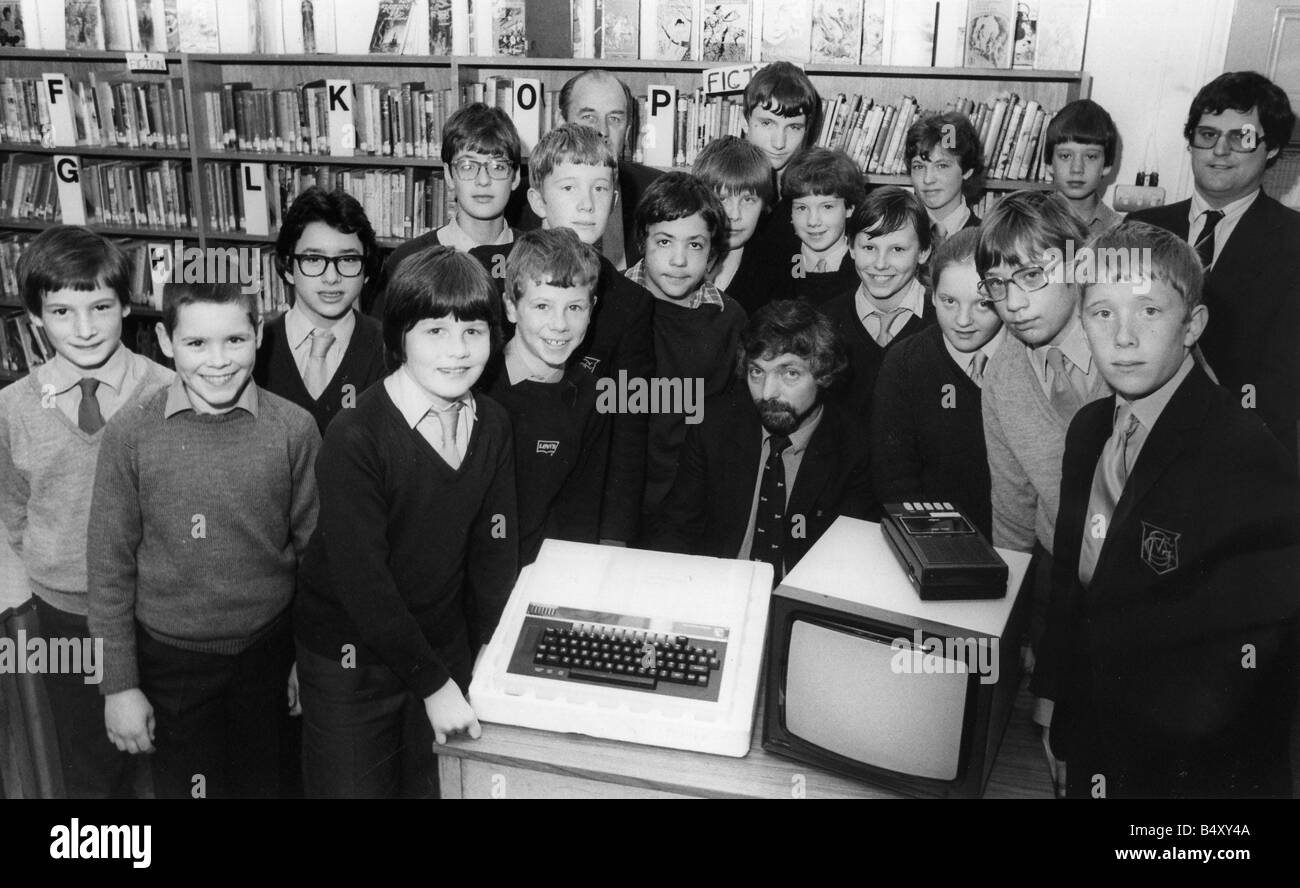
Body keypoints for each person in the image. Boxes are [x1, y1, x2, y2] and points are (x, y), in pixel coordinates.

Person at [1033, 221, 1300, 798]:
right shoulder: (1087, 432)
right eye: (1102, 313)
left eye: (1149, 311)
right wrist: (1060, 714)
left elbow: (1254, 662)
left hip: (1186, 771)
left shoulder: (1245, 454)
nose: (1123, 337)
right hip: (1095, 733)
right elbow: (1075, 588)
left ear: (1192, 325)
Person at [293, 247, 518, 798]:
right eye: (435, 331)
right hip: (353, 661)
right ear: (399, 339)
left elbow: (495, 552)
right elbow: (364, 583)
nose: (458, 351)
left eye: (473, 331)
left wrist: (489, 648)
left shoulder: (491, 422)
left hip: (441, 645)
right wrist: (433, 685)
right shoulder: (356, 437)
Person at [88, 282, 320, 799]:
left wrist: (309, 659)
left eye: (235, 340)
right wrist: (119, 686)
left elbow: (316, 561)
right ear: (165, 342)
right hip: (172, 667)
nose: (218, 361)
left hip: (270, 657)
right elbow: (108, 569)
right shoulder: (131, 434)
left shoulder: (294, 429)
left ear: (259, 334)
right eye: (196, 344)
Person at [0, 226, 173, 798]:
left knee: (172, 761)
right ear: (34, 319)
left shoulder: (169, 392)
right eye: (62, 311)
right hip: (66, 618)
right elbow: (14, 508)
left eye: (100, 306)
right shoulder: (11, 409)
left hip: (158, 615)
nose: (84, 328)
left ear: (128, 304)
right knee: (89, 768)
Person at [1128, 71, 1300, 460]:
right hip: (1137, 442)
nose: (1219, 151)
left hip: (1241, 452)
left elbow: (1285, 382)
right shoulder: (1140, 229)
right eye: (1207, 135)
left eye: (1242, 138)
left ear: (1271, 148)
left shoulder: (1294, 242)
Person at [648, 300, 873, 582]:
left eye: (790, 373)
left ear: (824, 375)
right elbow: (676, 531)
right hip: (716, 591)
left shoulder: (855, 446)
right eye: (757, 372)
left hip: (804, 602)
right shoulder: (713, 426)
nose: (767, 393)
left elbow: (850, 566)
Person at [526, 123, 655, 544]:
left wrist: (615, 536)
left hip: (582, 507)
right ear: (537, 199)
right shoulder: (501, 285)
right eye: (568, 188)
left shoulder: (631, 305)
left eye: (600, 189)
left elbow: (629, 429)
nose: (586, 204)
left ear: (615, 199)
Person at [479, 228, 626, 564]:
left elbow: (580, 511)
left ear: (593, 309)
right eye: (542, 306)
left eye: (574, 307)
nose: (559, 325)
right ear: (511, 307)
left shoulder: (590, 394)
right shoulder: (478, 384)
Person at [871, 228, 1004, 538]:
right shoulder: (905, 362)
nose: (962, 320)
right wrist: (947, 543)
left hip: (1015, 544)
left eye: (982, 304)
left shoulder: (1028, 361)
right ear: (931, 294)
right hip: (937, 541)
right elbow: (894, 479)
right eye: (949, 301)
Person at [627, 172, 747, 516]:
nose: (679, 260)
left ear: (712, 254)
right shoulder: (610, 305)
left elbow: (729, 433)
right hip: (617, 497)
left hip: (692, 503)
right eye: (664, 242)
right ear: (641, 241)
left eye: (694, 245)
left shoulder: (730, 320)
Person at [372, 102, 525, 316]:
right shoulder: (408, 260)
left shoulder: (535, 257)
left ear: (516, 176)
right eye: (467, 166)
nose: (483, 180)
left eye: (498, 166)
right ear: (448, 175)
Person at [258, 187, 386, 434]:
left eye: (348, 260)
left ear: (367, 270)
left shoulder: (388, 348)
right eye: (313, 259)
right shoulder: (257, 347)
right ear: (287, 266)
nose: (331, 277)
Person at [514, 70, 663, 269]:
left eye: (615, 119)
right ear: (561, 122)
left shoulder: (655, 191)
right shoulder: (517, 199)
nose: (602, 130)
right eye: (589, 116)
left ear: (627, 131)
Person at [819, 186, 935, 427]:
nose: (880, 264)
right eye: (869, 248)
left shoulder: (944, 321)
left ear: (923, 252)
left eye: (898, 249)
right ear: (851, 248)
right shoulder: (824, 321)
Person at [743, 61, 823, 259]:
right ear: (745, 122)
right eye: (767, 123)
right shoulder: (722, 186)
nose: (779, 143)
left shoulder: (812, 196)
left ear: (806, 129)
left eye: (794, 127)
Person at [691, 135, 778, 314]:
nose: (735, 215)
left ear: (763, 204)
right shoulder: (678, 253)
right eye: (722, 199)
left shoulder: (775, 269)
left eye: (748, 200)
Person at [770, 147, 866, 306]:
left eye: (827, 207)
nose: (813, 221)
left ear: (849, 208)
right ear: (790, 213)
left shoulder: (865, 268)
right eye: (801, 208)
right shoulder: (777, 266)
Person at [905, 111, 985, 243]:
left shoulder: (988, 239)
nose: (928, 179)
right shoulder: (898, 235)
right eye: (919, 167)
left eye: (942, 166)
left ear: (967, 171)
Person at [1043, 99, 1121, 233]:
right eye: (1065, 156)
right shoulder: (1028, 225)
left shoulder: (1119, 232)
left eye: (1091, 156)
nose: (1077, 169)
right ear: (1049, 163)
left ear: (1106, 165)